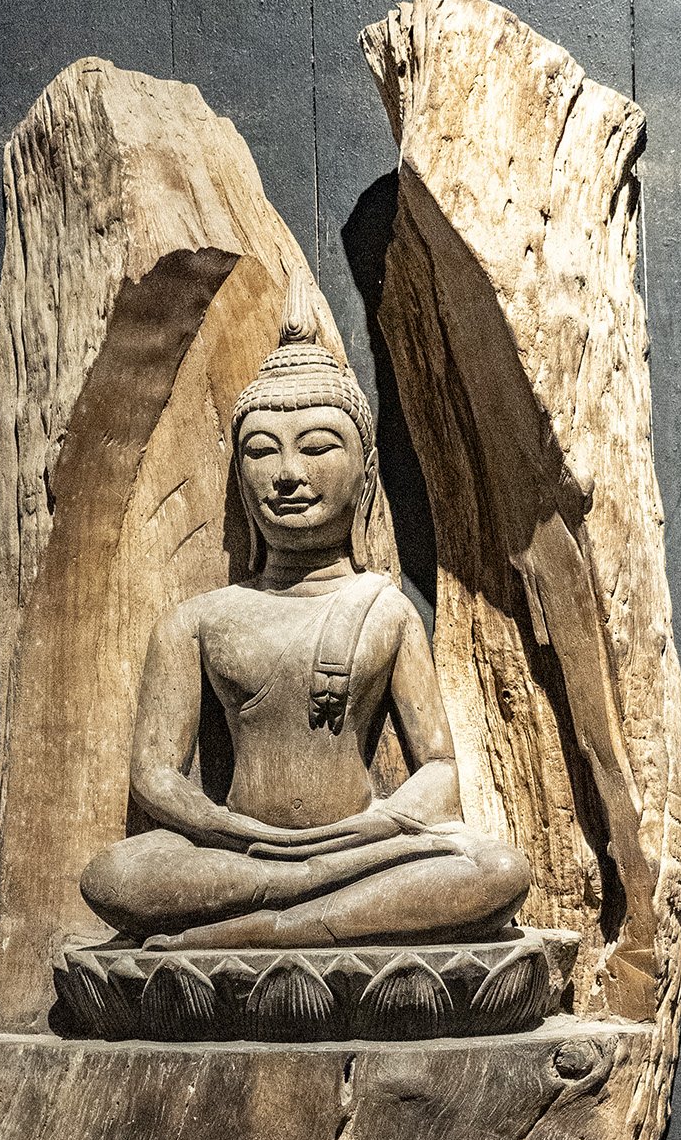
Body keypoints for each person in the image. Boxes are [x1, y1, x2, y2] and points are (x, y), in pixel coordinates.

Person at [81, 271, 529, 951]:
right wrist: (228, 830)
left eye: (317, 447)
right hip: (237, 853)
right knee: (114, 874)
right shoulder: (199, 619)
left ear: (365, 474)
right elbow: (155, 775)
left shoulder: (385, 609)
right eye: (262, 452)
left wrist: (375, 828)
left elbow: (438, 768)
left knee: (497, 871)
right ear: (240, 477)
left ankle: (260, 931)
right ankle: (299, 910)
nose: (287, 474)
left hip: (361, 847)